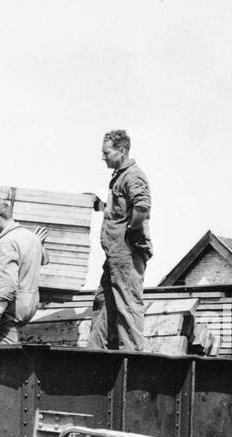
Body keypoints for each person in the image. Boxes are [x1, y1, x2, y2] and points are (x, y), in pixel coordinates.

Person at [89, 129, 152, 351]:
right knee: (104, 302)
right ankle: (95, 354)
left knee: (127, 304)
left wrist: (130, 230)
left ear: (122, 150)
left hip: (126, 252)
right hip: (115, 254)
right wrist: (98, 206)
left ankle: (131, 359)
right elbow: (118, 210)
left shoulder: (133, 175)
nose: (103, 157)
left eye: (106, 152)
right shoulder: (120, 177)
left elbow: (142, 208)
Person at [0, 199, 49, 344]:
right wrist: (37, 243)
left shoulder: (6, 242)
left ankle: (7, 360)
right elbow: (45, 260)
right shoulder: (31, 237)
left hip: (14, 306)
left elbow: (8, 284)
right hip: (31, 303)